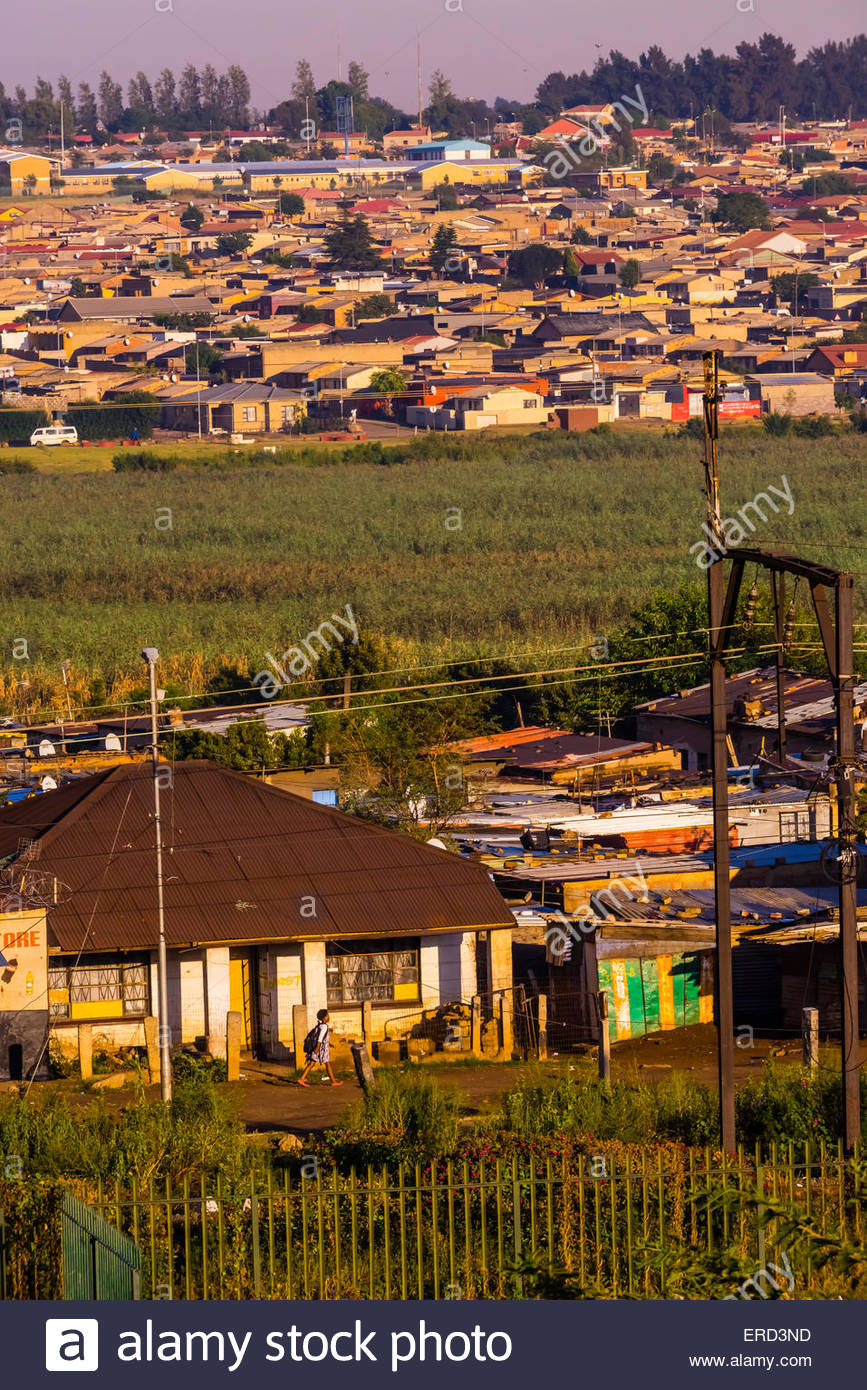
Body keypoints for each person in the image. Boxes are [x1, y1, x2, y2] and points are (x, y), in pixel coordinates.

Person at [297, 1008, 343, 1087]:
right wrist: (317, 1048)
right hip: (321, 1050)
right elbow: (320, 1038)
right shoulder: (324, 1027)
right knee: (327, 1064)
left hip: (318, 1048)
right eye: (327, 1015)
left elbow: (322, 1038)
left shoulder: (320, 1025)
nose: (329, 1017)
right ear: (324, 1017)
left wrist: (329, 1044)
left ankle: (302, 1079)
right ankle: (333, 1081)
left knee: (311, 1064)